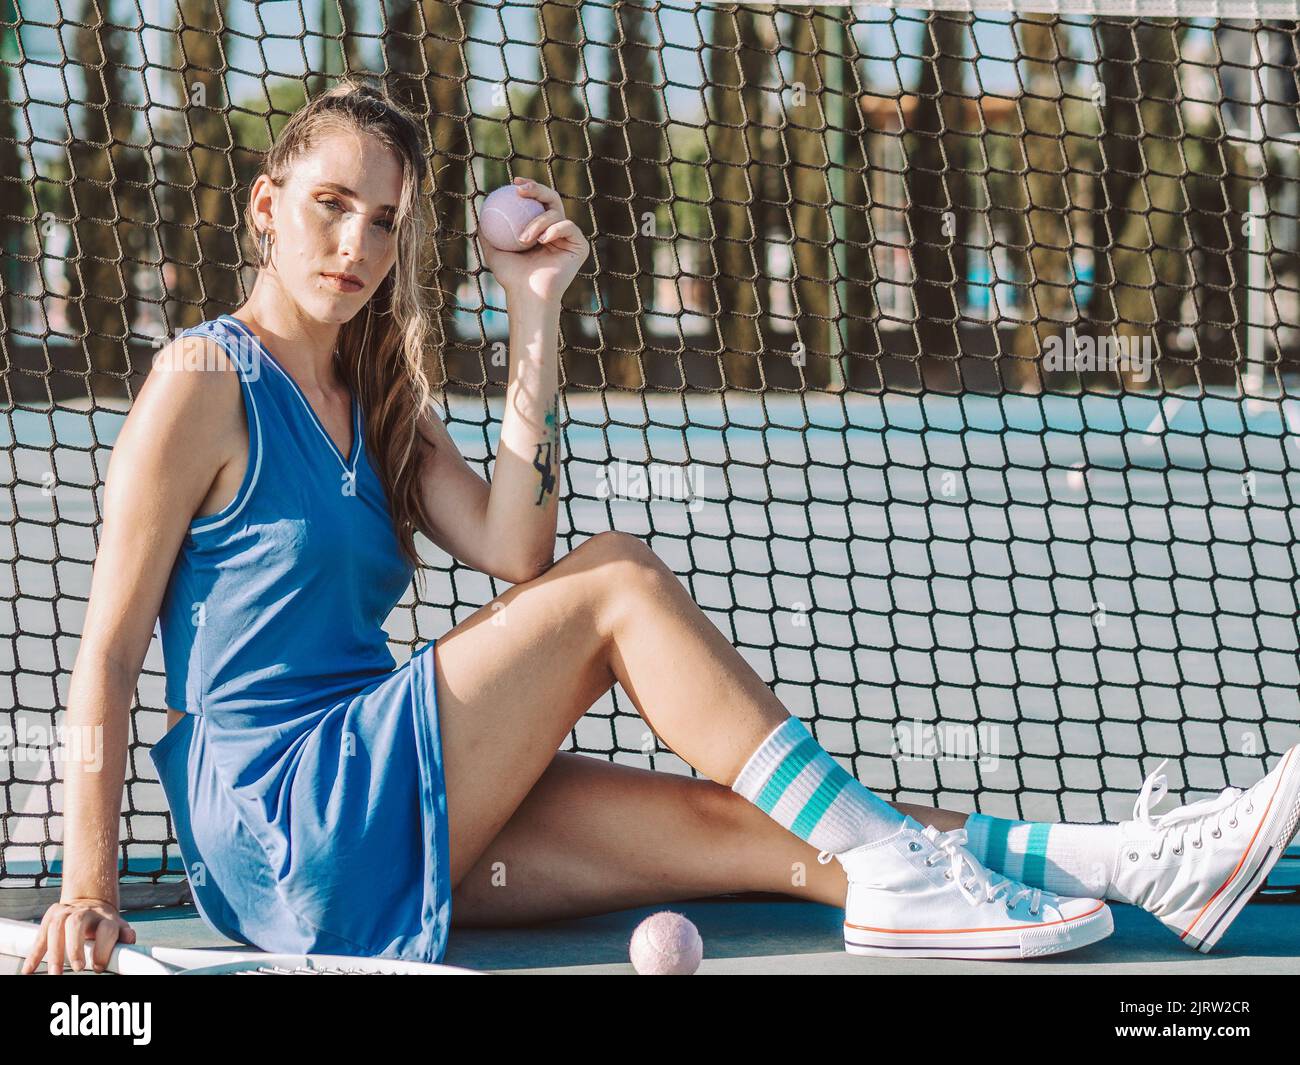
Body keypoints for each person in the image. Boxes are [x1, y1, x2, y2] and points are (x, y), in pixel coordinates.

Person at [24, 79, 1300, 973]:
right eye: (329, 204)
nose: (355, 241)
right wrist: (87, 887)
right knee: (619, 580)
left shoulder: (382, 405)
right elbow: (109, 655)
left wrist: (534, 307)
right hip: (282, 816)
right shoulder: (201, 381)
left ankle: (1134, 864)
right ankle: (904, 870)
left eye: (384, 220)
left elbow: (513, 548)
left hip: (389, 804)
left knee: (752, 831)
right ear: (265, 206)